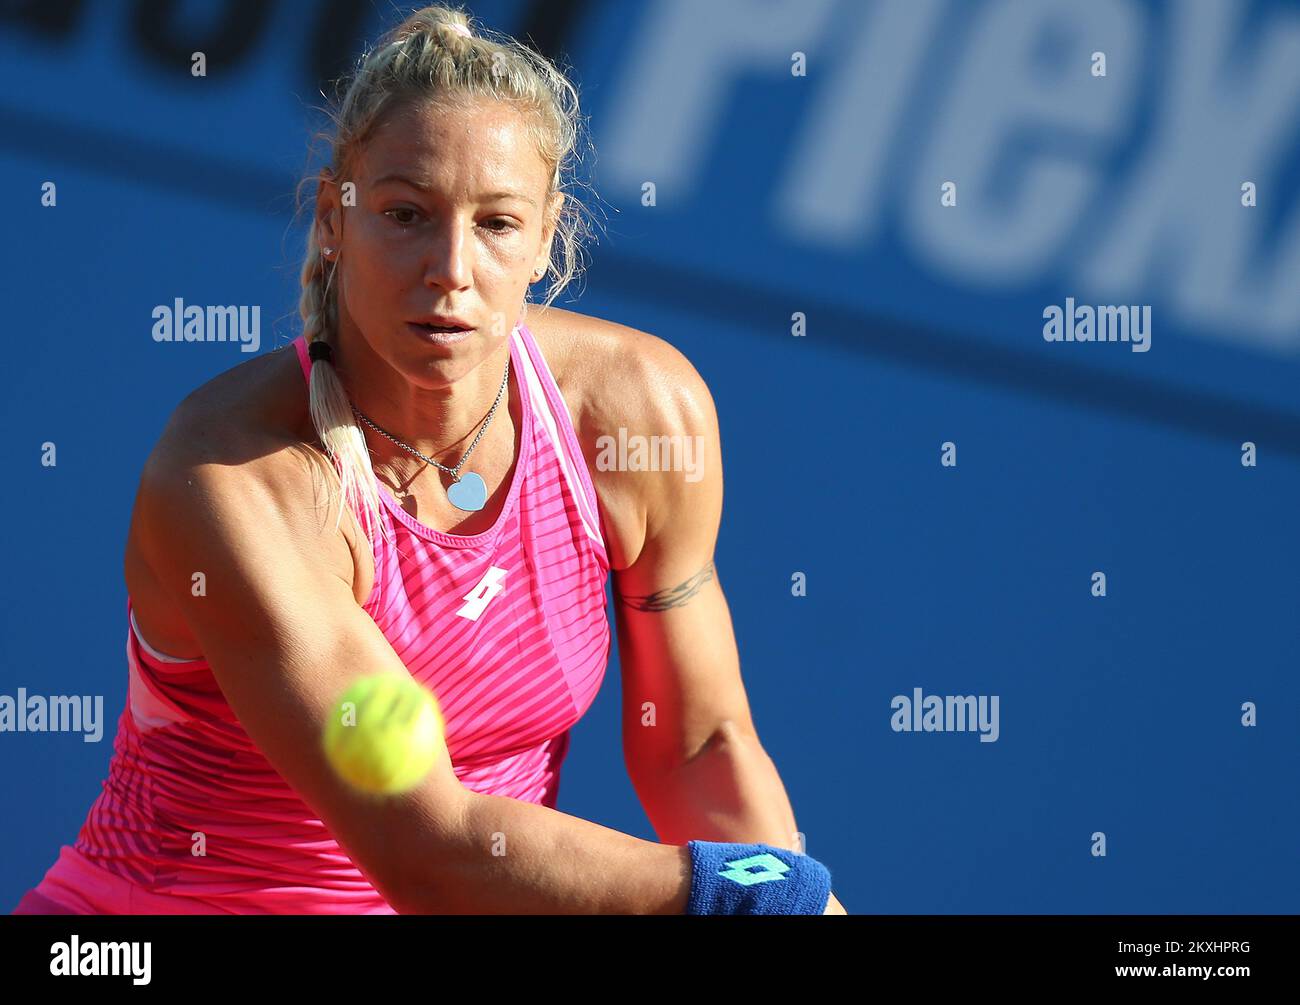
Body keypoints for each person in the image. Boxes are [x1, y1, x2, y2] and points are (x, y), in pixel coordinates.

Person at [12, 4, 844, 915]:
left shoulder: (640, 413)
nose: (451, 266)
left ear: (545, 236)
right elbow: (425, 849)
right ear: (335, 216)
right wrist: (765, 897)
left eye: (496, 224)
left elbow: (698, 746)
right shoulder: (232, 477)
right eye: (406, 214)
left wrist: (777, 889)